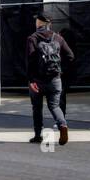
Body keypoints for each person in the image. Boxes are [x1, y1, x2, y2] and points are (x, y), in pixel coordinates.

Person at [28, 13, 75, 146]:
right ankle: (63, 126)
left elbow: (30, 61)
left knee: (37, 108)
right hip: (55, 79)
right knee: (54, 106)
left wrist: (31, 80)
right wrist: (60, 69)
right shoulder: (58, 38)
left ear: (39, 23)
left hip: (37, 80)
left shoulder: (33, 38)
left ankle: (38, 135)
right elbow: (70, 56)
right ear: (50, 24)